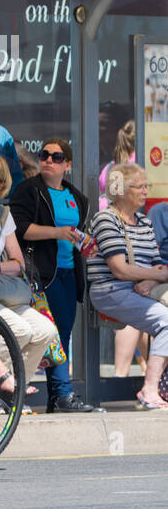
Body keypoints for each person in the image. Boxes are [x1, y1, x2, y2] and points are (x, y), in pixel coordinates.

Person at [0, 152, 59, 411]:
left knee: (45, 331)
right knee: (19, 329)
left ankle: (10, 391)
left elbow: (19, 264)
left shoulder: (3, 215)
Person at [9, 138, 96, 413]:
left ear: (67, 165)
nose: (48, 160)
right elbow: (20, 229)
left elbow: (75, 233)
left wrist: (85, 244)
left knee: (63, 333)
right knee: (53, 333)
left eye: (56, 157)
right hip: (40, 272)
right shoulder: (28, 190)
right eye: (44, 155)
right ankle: (62, 393)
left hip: (69, 271)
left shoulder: (76, 198)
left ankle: (56, 396)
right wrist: (58, 232)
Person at [87, 163, 168, 410]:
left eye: (146, 186)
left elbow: (160, 267)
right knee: (166, 321)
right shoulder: (106, 219)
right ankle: (151, 389)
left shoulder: (144, 221)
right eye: (139, 186)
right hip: (111, 290)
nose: (145, 191)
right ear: (120, 190)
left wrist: (152, 280)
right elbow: (119, 269)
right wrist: (151, 275)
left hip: (139, 289)